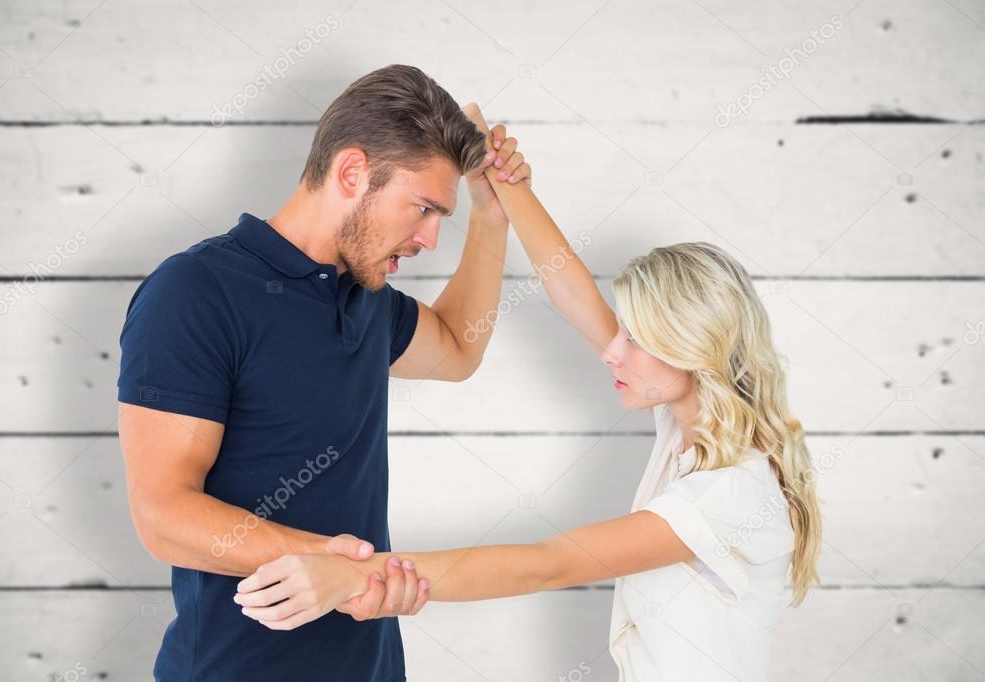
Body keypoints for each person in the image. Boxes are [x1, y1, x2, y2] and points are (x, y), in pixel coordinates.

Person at [235, 110, 823, 682]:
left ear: (696, 352)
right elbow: (570, 289)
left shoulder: (729, 491)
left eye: (639, 341)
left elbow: (549, 563)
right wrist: (502, 186)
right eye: (623, 332)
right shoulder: (690, 428)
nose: (613, 352)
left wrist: (354, 576)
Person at [116, 65, 530, 681]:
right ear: (352, 172)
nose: (430, 239)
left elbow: (455, 348)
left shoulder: (365, 294)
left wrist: (492, 216)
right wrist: (335, 565)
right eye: (422, 208)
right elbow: (164, 517)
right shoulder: (196, 292)